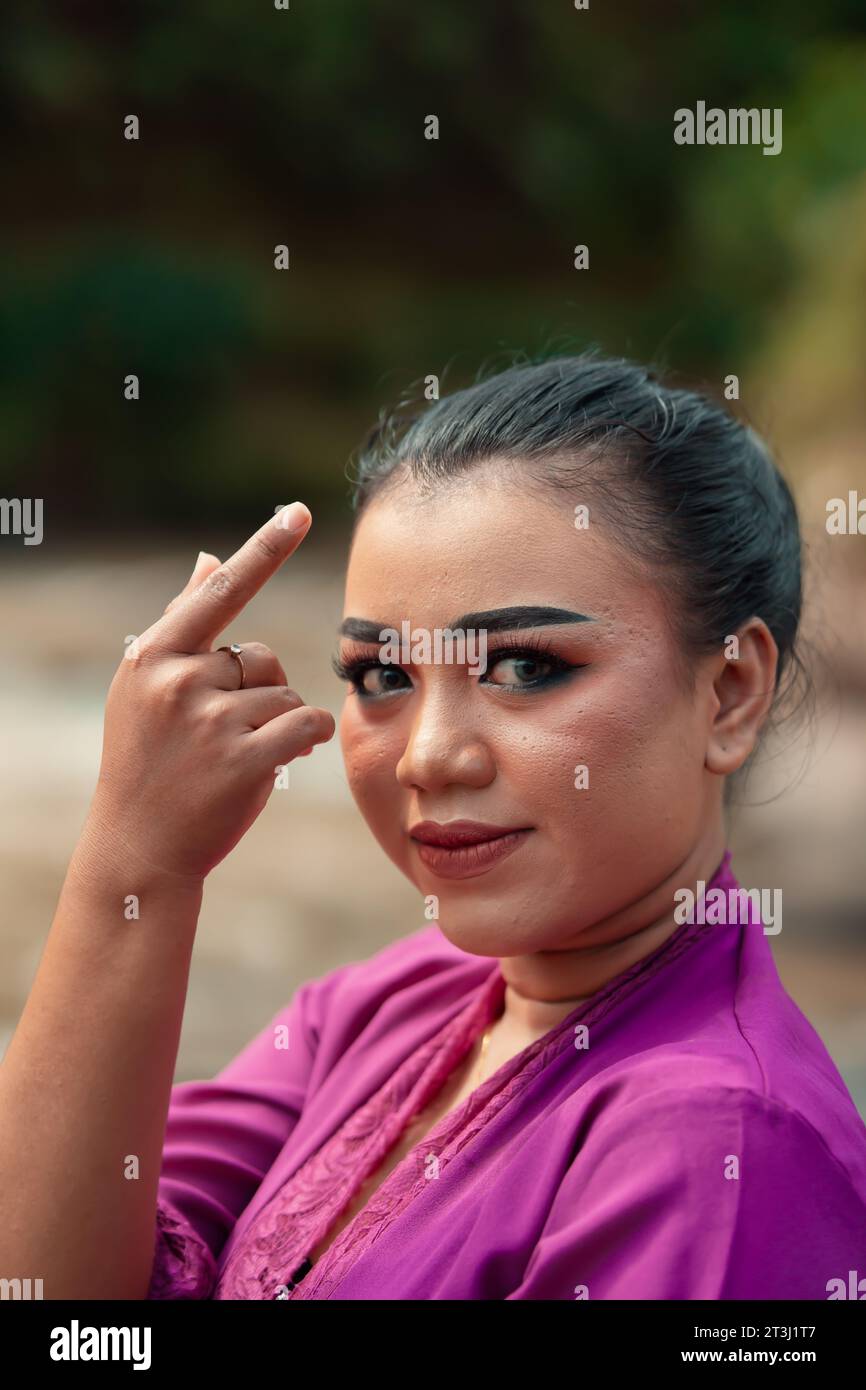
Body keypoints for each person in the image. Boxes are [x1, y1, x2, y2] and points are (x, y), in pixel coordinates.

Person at [2, 351, 865, 1300]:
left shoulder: (720, 1147)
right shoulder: (386, 1005)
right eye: (384, 678)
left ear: (729, 693)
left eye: (526, 667)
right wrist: (133, 865)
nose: (427, 756)